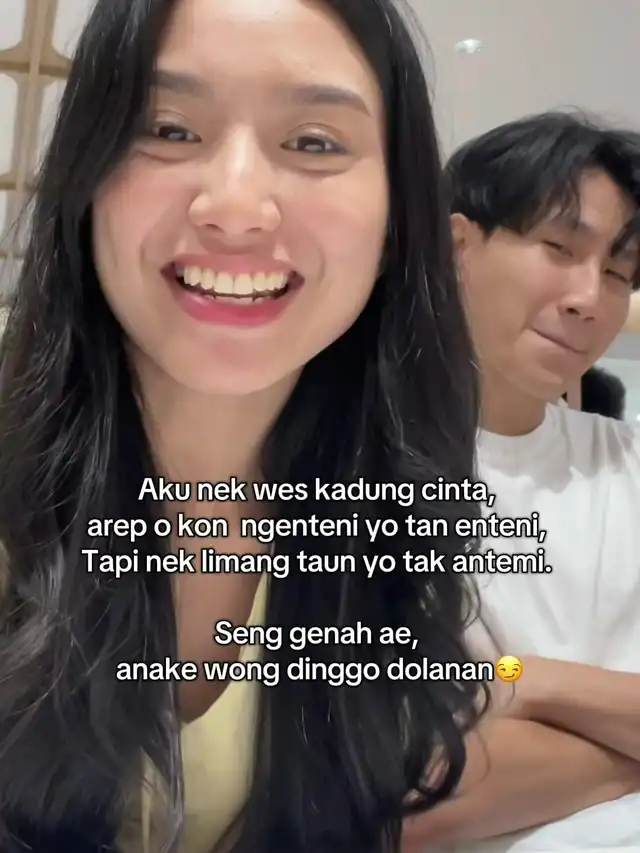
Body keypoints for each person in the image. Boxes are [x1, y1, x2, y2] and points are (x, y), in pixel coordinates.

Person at [0, 1, 489, 851]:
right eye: (167, 128)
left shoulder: (392, 512)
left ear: (395, 223)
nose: (235, 206)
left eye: (315, 143)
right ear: (85, 179)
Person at [410, 112, 640, 852]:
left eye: (619, 273)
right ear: (457, 248)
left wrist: (525, 679)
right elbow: (403, 796)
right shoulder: (358, 475)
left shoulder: (626, 463)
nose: (589, 297)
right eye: (559, 248)